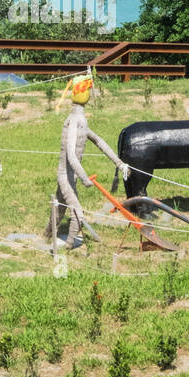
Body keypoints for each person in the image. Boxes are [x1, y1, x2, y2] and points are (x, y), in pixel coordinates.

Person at [51, 73, 129, 248]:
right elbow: (71, 154)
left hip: (72, 176)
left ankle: (48, 234)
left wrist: (119, 163)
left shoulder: (81, 121)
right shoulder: (73, 121)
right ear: (84, 94)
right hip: (65, 176)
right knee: (77, 212)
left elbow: (99, 141)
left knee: (59, 208)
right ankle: (68, 246)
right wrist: (85, 177)